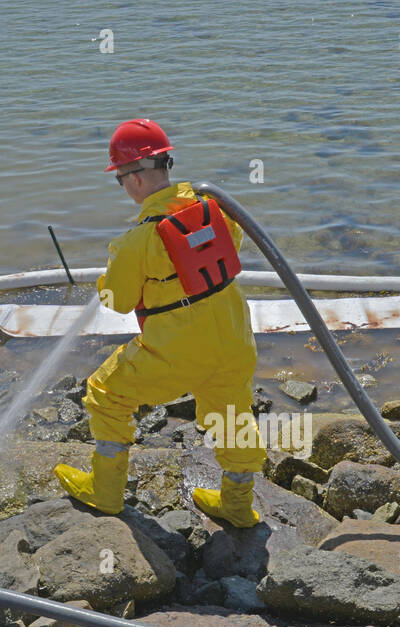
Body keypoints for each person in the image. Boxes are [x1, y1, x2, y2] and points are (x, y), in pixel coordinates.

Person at [54, 118, 267, 527]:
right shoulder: (217, 207)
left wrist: (108, 275)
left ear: (134, 179)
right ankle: (238, 507)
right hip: (235, 337)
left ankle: (106, 492)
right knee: (233, 416)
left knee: (105, 393)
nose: (122, 186)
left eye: (119, 178)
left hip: (177, 350)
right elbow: (231, 247)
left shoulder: (138, 241)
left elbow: (116, 301)